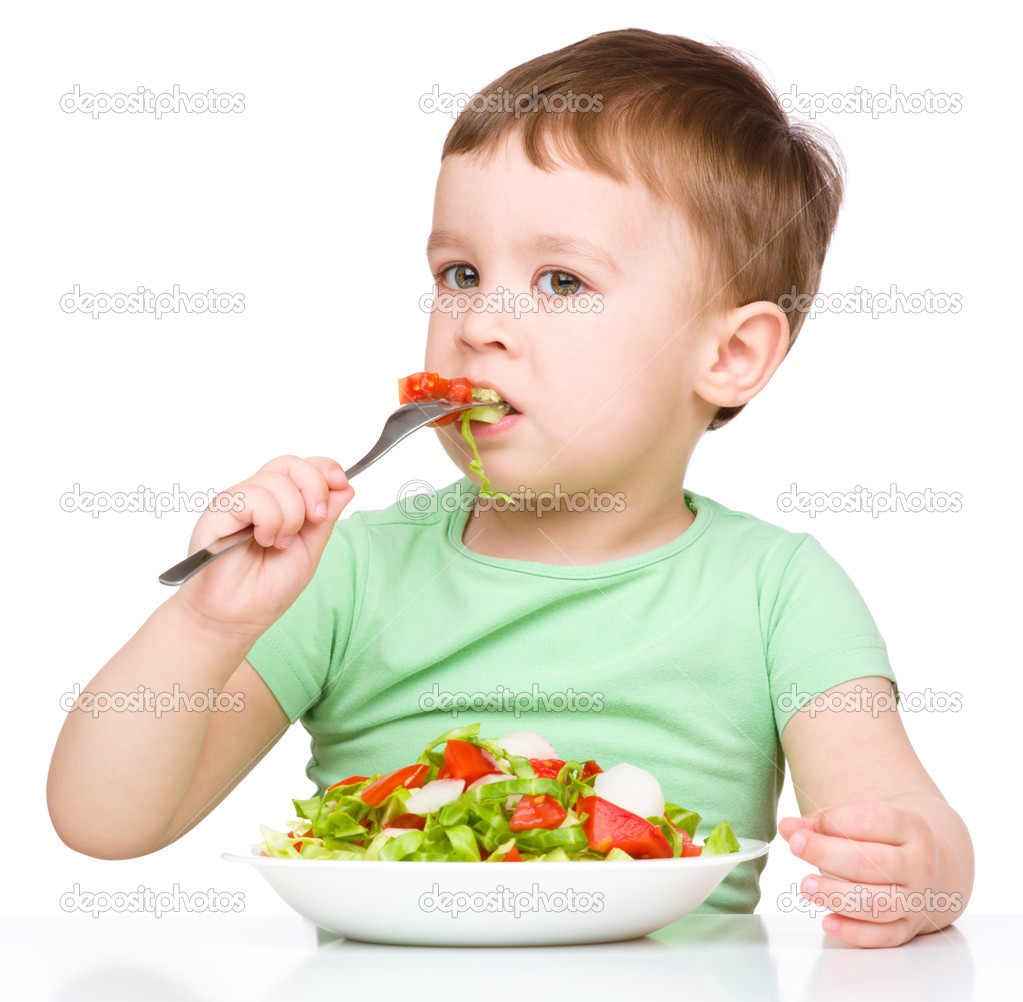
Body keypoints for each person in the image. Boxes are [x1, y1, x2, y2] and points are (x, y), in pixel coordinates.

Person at [47, 27, 972, 947]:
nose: (480, 320)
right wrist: (209, 622)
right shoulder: (345, 571)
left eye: (561, 281)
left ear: (729, 355)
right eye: (459, 273)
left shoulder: (780, 592)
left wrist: (912, 873)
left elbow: (900, 815)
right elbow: (105, 822)